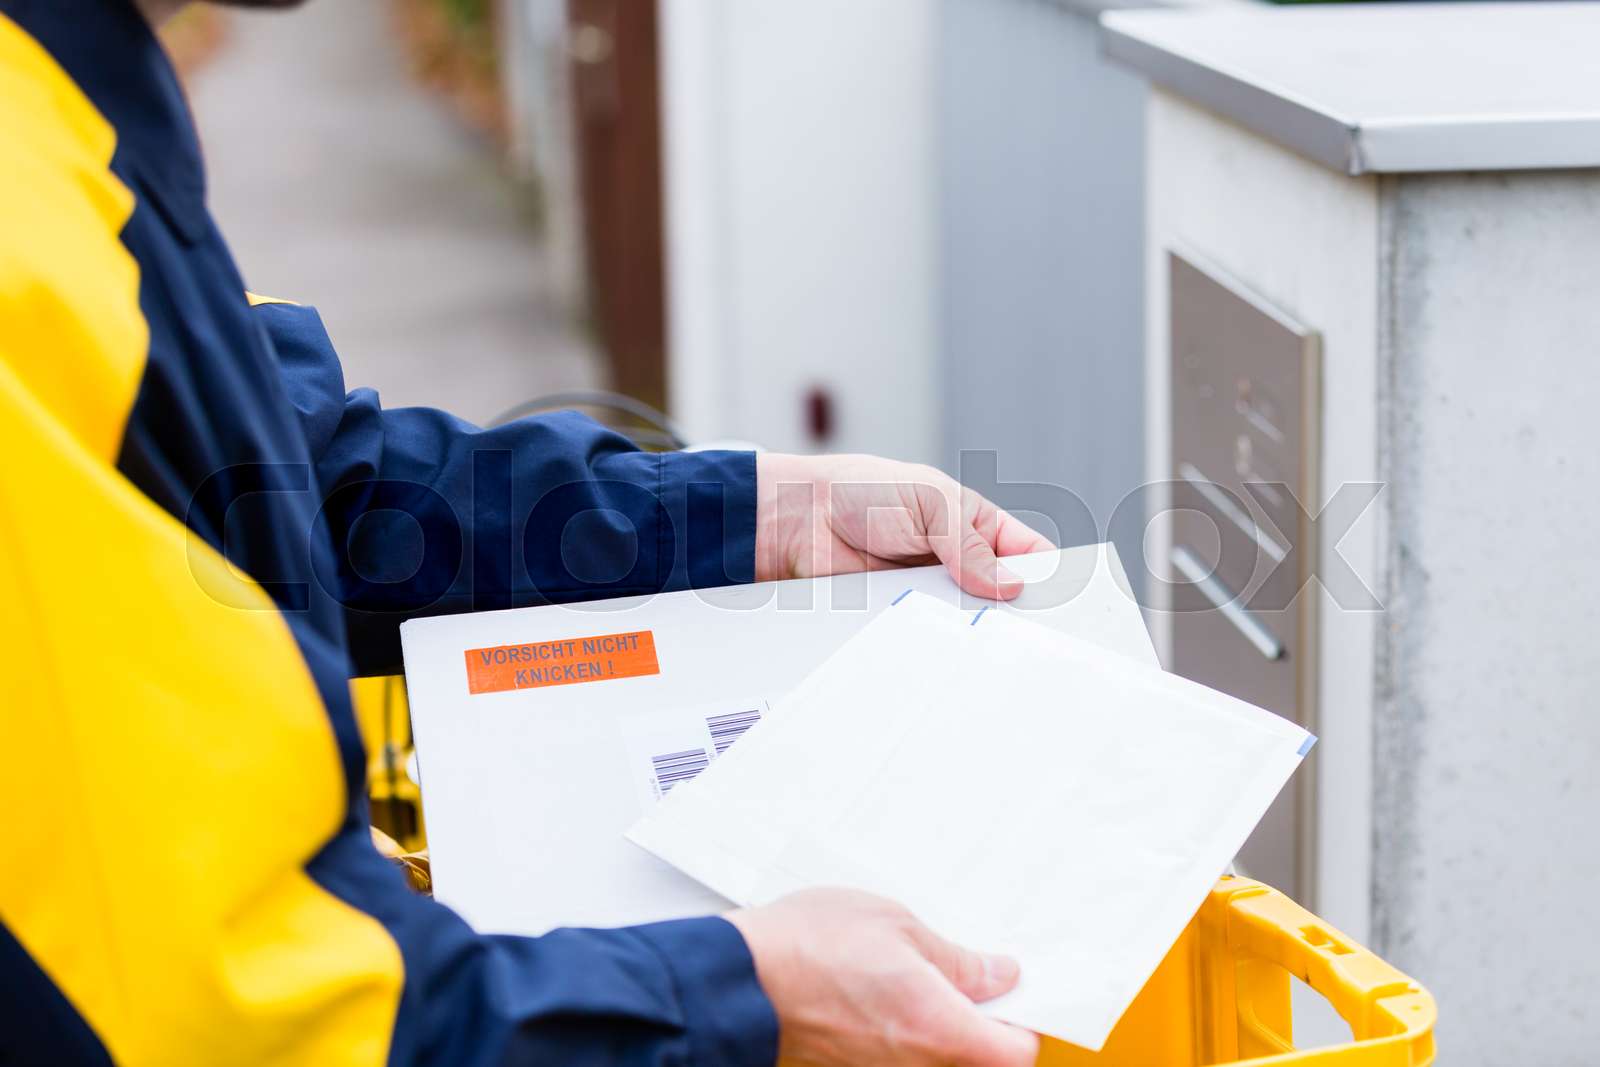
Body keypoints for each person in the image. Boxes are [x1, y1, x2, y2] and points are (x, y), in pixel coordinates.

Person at [0, 1, 1051, 1064]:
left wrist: (764, 511)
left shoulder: (59, 118)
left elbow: (310, 494)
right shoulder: (20, 226)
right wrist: (742, 996)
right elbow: (258, 1021)